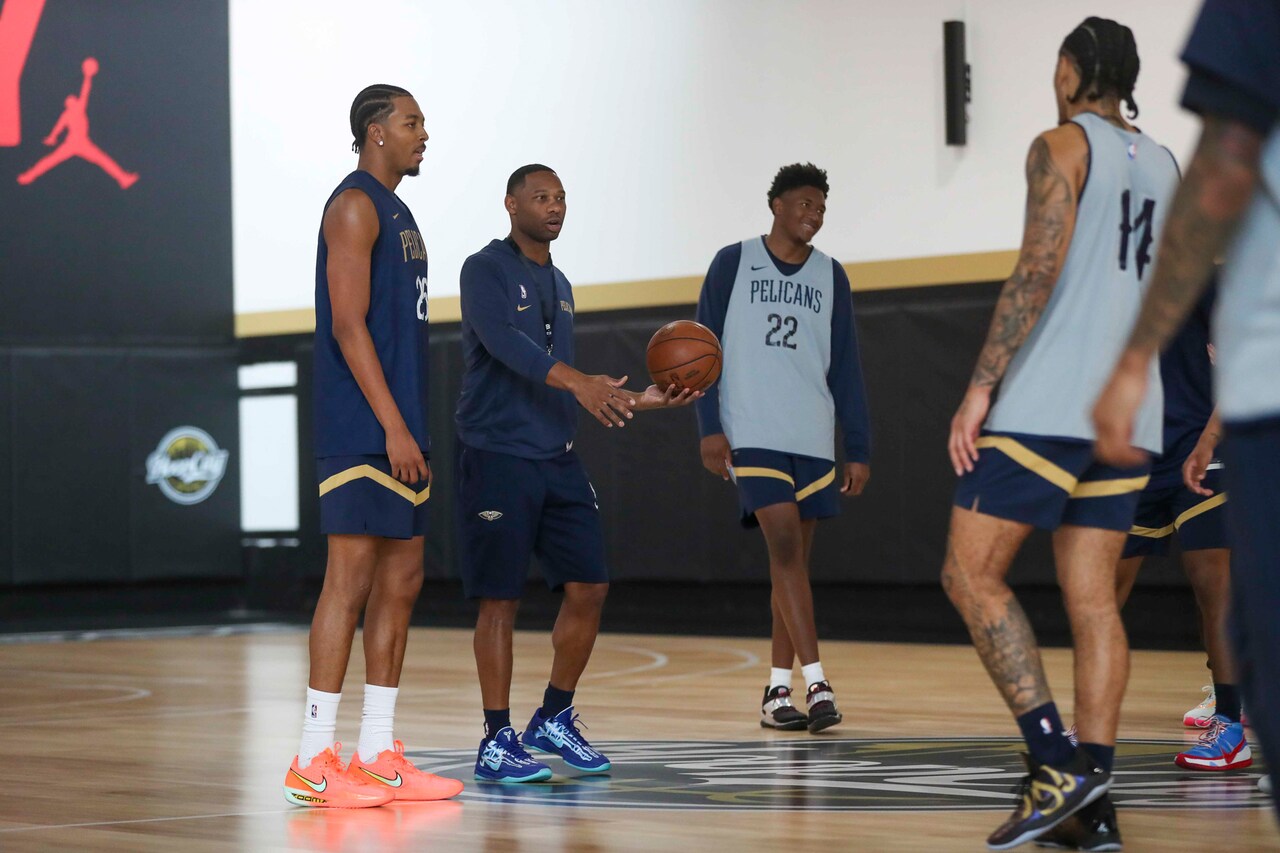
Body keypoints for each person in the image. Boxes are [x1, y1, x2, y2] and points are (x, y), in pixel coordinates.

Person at [940, 19, 1178, 849]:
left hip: (1051, 402)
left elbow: (1038, 267)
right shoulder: (1167, 164)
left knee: (969, 576)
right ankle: (1096, 804)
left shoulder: (1060, 145)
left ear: (1073, 70)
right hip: (1131, 409)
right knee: (1094, 602)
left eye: (1055, 67)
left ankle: (1054, 760)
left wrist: (980, 385)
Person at [1092, 0, 1280, 812]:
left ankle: (1234, 714)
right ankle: (1092, 734)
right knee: (1105, 585)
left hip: (1227, 421)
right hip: (1155, 444)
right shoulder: (1106, 274)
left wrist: (1145, 367)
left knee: (1230, 599)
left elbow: (1228, 154)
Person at [456, 164, 698, 783]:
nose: (554, 206)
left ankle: (554, 718)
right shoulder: (483, 269)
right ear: (511, 205)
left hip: (556, 455)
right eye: (541, 197)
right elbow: (509, 345)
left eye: (561, 197)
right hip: (498, 454)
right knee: (500, 600)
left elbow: (565, 377)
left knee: (590, 585)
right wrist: (579, 382)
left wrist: (643, 399)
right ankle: (494, 737)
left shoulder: (561, 282)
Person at [282, 84, 462, 809]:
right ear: (374, 131)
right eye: (412, 121)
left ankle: (377, 750)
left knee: (403, 580)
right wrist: (390, 423)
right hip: (362, 427)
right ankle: (311, 757)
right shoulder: (353, 204)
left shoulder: (403, 212)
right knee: (348, 581)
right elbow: (349, 325)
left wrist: (408, 425)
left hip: (401, 425)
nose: (424, 133)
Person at [694, 163, 871, 734]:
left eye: (821, 208)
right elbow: (702, 350)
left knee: (788, 564)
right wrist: (708, 427)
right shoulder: (732, 262)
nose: (813, 216)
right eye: (803, 204)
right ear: (775, 205)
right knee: (787, 548)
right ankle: (817, 681)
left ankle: (776, 691)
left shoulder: (831, 276)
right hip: (751, 429)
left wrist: (859, 445)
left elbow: (846, 366)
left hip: (811, 435)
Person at [1114, 279, 1250, 771]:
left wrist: (1210, 440)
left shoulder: (1208, 279)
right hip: (1138, 460)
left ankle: (1231, 724)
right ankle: (1090, 721)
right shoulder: (1116, 284)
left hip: (1202, 451)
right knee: (1101, 598)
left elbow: (1242, 366)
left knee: (1214, 587)